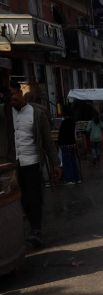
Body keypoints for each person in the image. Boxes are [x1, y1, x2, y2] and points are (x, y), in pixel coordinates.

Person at [10, 80, 60, 247]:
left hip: (32, 162)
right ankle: (28, 229)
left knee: (35, 198)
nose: (12, 99)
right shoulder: (6, 114)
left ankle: (36, 230)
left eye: (13, 94)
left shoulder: (37, 114)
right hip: (13, 167)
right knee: (20, 199)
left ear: (20, 92)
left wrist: (55, 164)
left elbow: (47, 141)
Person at [57, 110, 81, 184]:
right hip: (72, 144)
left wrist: (59, 143)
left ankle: (70, 179)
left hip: (65, 144)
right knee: (73, 161)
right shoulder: (73, 122)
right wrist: (75, 143)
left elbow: (60, 134)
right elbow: (75, 135)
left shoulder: (63, 123)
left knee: (67, 162)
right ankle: (77, 178)